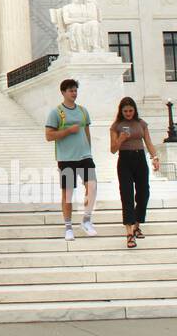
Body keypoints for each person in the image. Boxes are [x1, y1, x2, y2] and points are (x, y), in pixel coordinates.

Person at [45, 78, 97, 239]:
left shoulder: (83, 111)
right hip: (66, 158)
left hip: (85, 156)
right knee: (68, 193)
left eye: (75, 90)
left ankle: (86, 220)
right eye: (70, 90)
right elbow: (48, 135)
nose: (74, 93)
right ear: (63, 92)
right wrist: (68, 131)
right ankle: (68, 227)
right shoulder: (56, 112)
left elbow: (86, 131)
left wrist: (88, 149)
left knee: (93, 187)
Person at [109, 97, 161, 249]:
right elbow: (113, 149)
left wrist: (155, 157)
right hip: (124, 159)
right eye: (125, 111)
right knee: (126, 194)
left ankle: (136, 225)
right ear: (121, 111)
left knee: (144, 193)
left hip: (140, 158)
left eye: (131, 111)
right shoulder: (116, 126)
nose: (128, 113)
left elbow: (149, 142)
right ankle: (129, 233)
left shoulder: (141, 123)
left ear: (135, 110)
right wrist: (121, 138)